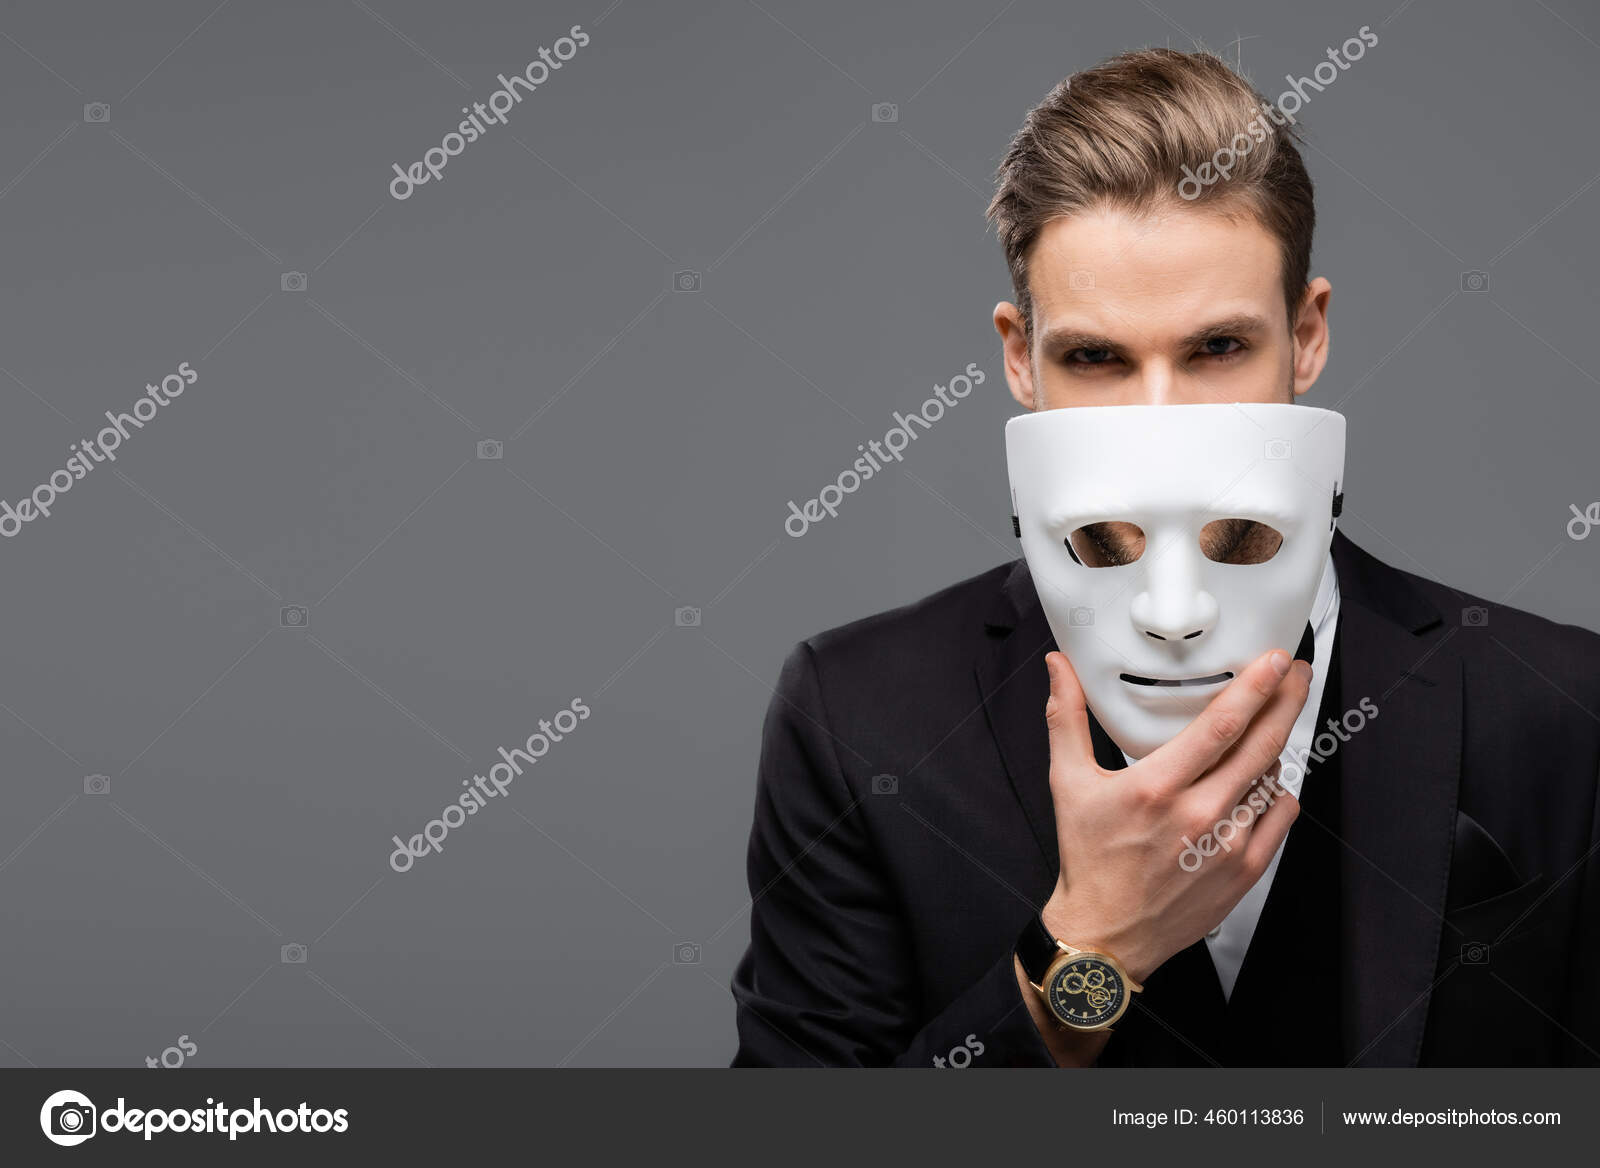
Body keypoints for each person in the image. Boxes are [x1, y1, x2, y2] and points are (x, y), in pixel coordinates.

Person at [730, 48, 1600, 1067]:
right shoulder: (858, 714)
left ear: (1306, 335)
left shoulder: (1555, 704)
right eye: (1095, 357)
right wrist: (1092, 950)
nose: (1160, 419)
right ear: (1020, 358)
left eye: (1215, 349)